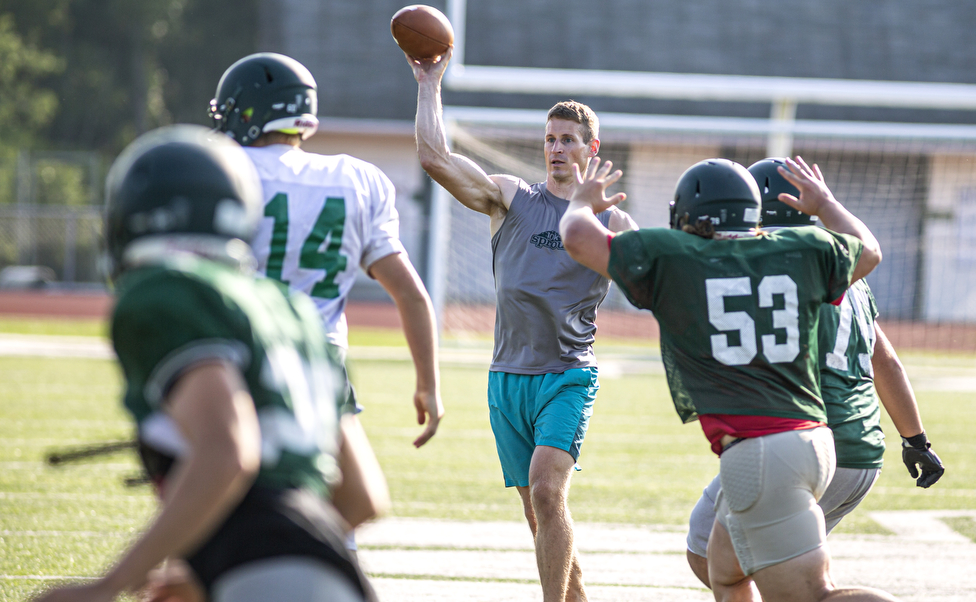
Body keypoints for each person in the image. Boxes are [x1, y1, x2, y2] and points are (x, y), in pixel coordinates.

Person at [33, 125, 385, 602]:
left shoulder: (166, 292)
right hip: (336, 576)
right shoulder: (293, 311)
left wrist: (110, 585)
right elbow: (363, 496)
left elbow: (228, 451)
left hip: (263, 581)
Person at [560, 155, 898, 601]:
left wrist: (581, 200)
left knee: (813, 596)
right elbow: (868, 250)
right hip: (812, 440)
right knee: (724, 571)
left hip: (761, 451)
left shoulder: (679, 259)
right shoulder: (798, 248)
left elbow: (577, 236)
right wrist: (827, 205)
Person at [407, 47, 637, 602]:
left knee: (547, 492)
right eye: (550, 138)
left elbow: (661, 279)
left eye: (568, 139)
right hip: (507, 379)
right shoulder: (511, 198)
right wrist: (429, 82)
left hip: (567, 375)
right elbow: (436, 158)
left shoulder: (612, 221)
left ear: (592, 149)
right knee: (540, 513)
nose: (556, 148)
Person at [683, 157, 946, 596]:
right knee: (716, 554)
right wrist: (915, 439)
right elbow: (886, 362)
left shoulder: (777, 263)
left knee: (789, 585)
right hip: (859, 450)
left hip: (806, 440)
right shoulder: (842, 266)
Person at [208, 52, 443, 450]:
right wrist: (428, 385)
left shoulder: (224, 168)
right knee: (335, 483)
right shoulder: (357, 179)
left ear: (248, 112)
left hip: (243, 357)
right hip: (321, 366)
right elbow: (411, 294)